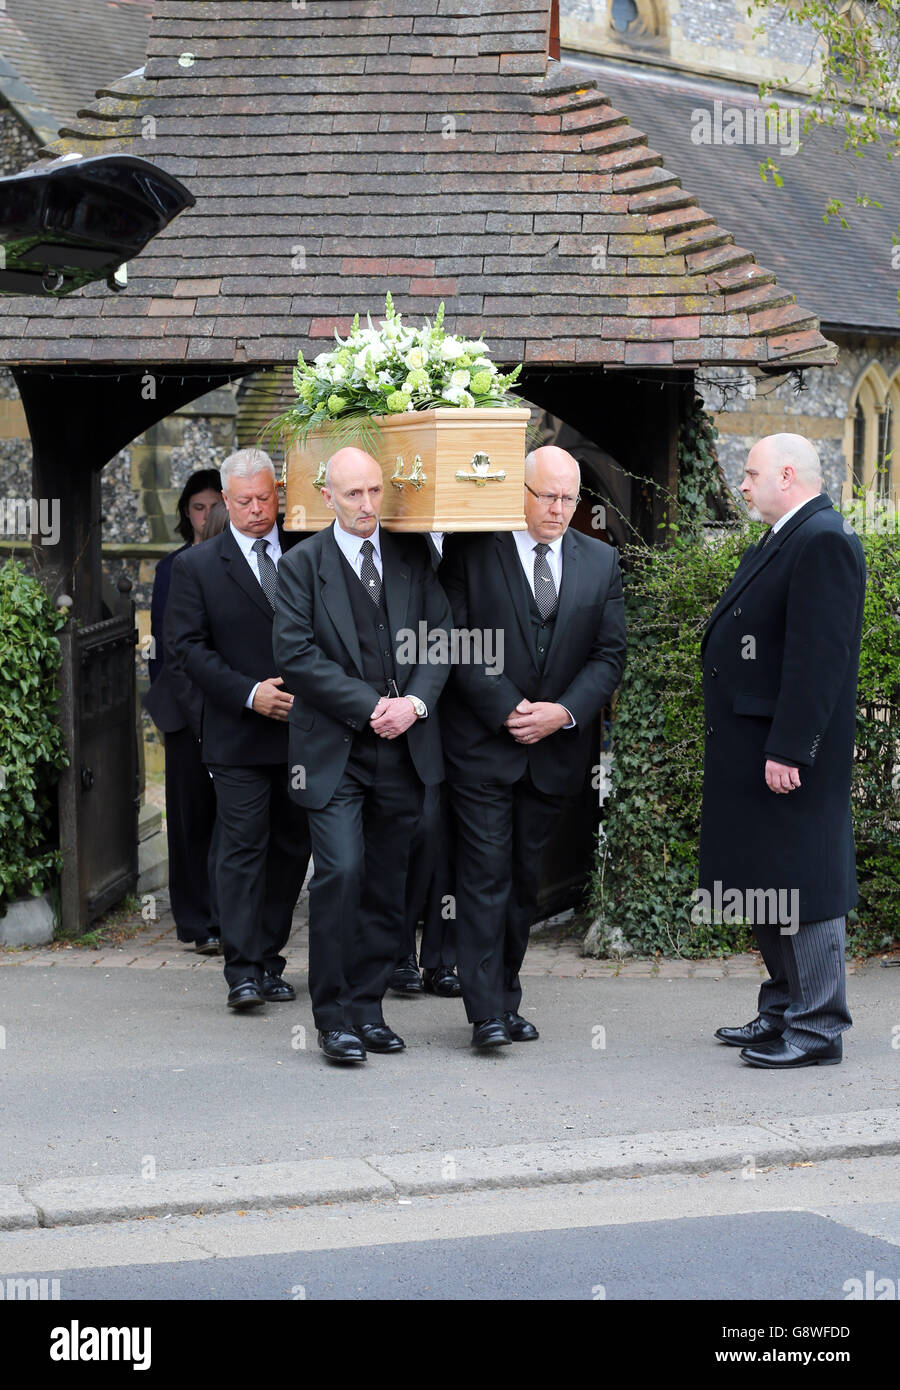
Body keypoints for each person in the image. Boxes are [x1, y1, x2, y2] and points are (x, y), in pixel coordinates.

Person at [439, 446, 627, 1048]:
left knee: (524, 881)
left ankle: (507, 996)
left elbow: (608, 655)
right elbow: (454, 640)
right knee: (484, 875)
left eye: (568, 498)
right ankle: (484, 1012)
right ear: (519, 491)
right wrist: (505, 708)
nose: (557, 508)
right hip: (482, 750)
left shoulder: (600, 561)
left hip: (554, 753)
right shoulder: (473, 550)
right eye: (546, 495)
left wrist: (562, 713)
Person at [272, 447, 452, 1064]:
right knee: (341, 872)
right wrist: (372, 704)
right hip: (334, 752)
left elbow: (441, 639)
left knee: (387, 883)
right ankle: (333, 1019)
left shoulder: (412, 556)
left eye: (376, 492)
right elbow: (296, 656)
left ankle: (369, 1007)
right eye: (354, 495)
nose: (369, 506)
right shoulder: (300, 565)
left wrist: (416, 706)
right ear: (327, 495)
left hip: (404, 750)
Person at [704, 434, 866, 1069]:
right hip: (758, 748)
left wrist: (792, 750)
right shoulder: (785, 536)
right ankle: (781, 1009)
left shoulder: (823, 540)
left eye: (750, 473)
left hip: (789, 756)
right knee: (766, 884)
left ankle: (819, 1028)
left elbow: (819, 662)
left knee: (805, 888)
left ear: (788, 475)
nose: (741, 484)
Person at [167, 447, 311, 1011]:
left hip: (305, 731)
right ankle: (243, 969)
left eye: (266, 498)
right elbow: (188, 650)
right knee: (243, 846)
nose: (257, 510)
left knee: (292, 846)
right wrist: (251, 694)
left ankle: (270, 959)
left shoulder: (308, 552)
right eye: (245, 501)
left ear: (279, 492)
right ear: (225, 502)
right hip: (238, 733)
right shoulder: (197, 567)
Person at [144, 469, 222, 954]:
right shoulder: (171, 568)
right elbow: (162, 647)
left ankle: (225, 912)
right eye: (198, 506)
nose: (207, 515)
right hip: (182, 710)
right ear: (184, 513)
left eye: (216, 505)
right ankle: (195, 920)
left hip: (230, 705)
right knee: (189, 817)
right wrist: (176, 708)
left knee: (228, 818)